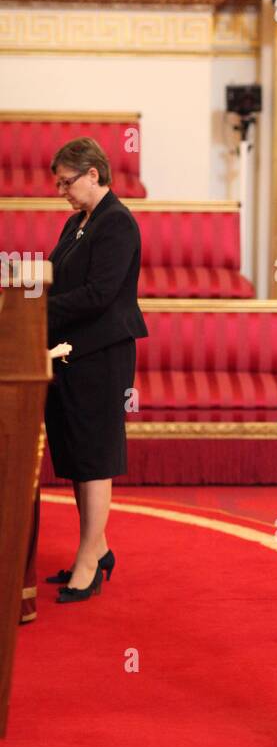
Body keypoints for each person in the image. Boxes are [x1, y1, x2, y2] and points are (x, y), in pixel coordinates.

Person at [43, 138, 148, 602]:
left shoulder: (117, 223)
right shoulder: (76, 223)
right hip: (70, 354)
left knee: (96, 456)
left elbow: (99, 294)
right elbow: (53, 275)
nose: (62, 190)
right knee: (77, 456)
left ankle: (90, 562)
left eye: (68, 181)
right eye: (59, 183)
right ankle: (97, 547)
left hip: (101, 356)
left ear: (93, 174)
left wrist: (38, 310)